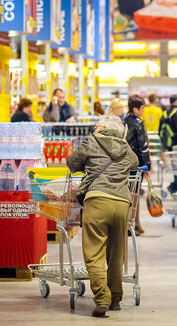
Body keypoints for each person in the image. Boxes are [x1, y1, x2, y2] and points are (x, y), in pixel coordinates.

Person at [66, 115, 138, 318]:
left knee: (94, 253)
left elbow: (72, 163)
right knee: (116, 254)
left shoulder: (91, 141)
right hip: (122, 204)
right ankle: (115, 297)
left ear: (104, 127)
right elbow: (134, 163)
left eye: (97, 126)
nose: (94, 128)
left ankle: (102, 298)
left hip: (97, 201)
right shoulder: (125, 147)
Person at [124, 95, 151, 235]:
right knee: (134, 194)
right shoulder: (139, 123)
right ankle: (131, 225)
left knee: (129, 193)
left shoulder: (123, 121)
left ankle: (136, 223)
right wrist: (147, 165)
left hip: (124, 163)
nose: (143, 111)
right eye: (141, 108)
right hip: (137, 163)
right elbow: (143, 146)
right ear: (135, 109)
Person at [160, 95, 177, 194]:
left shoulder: (165, 113)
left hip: (169, 143)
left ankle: (174, 186)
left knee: (175, 165)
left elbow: (160, 130)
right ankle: (174, 186)